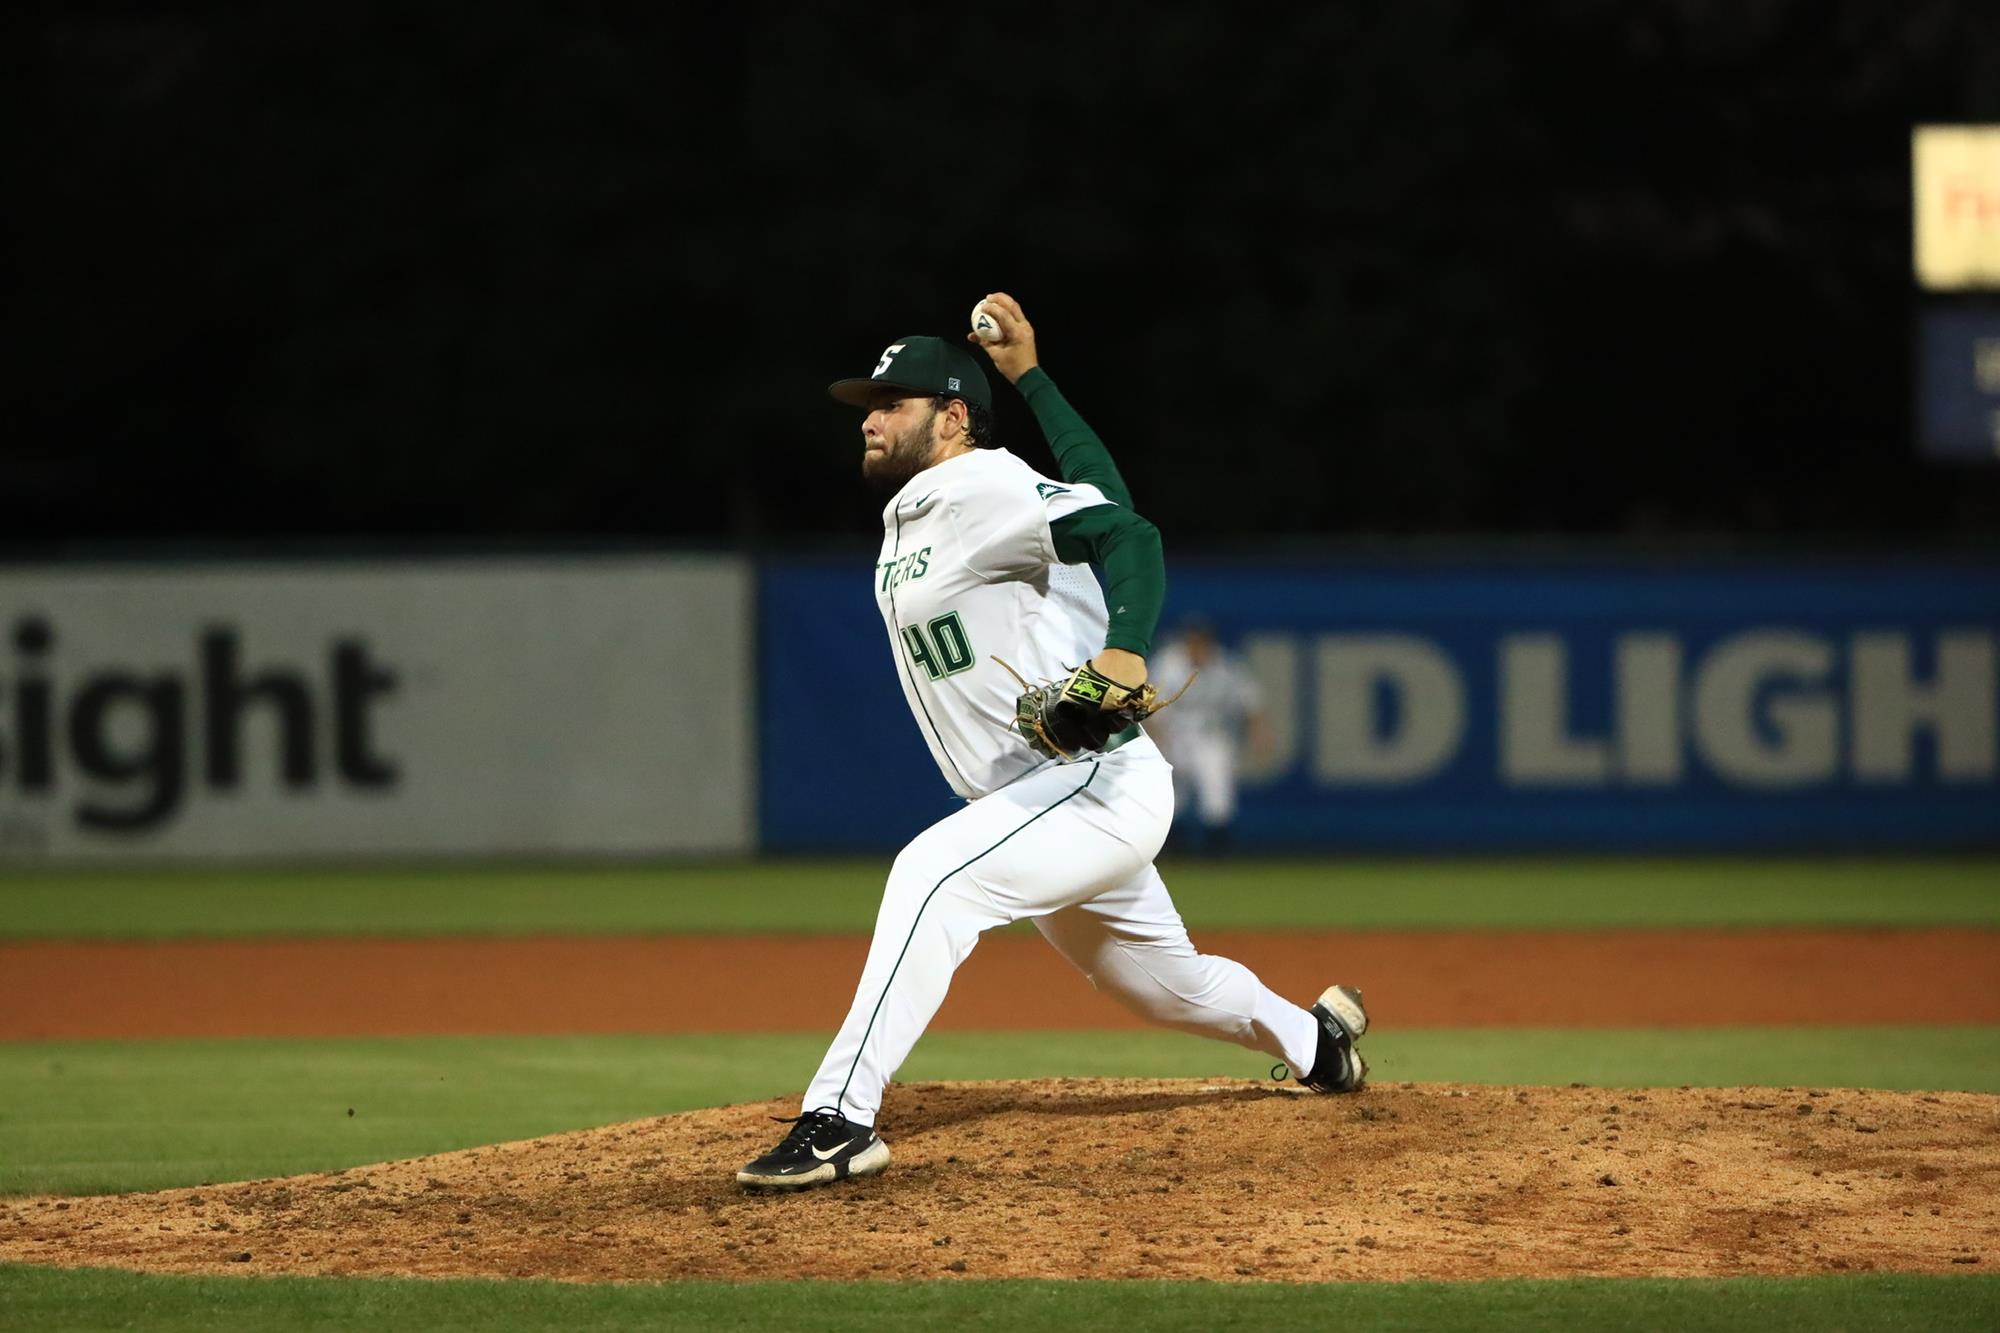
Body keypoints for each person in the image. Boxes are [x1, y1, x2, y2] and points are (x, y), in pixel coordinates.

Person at [735, 293, 1369, 1190]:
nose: (870, 418)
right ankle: (1319, 1043)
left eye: (892, 402)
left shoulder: (980, 486)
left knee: (931, 875)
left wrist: (1125, 649)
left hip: (1091, 781)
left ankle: (840, 1119)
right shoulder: (926, 510)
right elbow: (1107, 500)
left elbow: (1129, 534)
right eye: (867, 405)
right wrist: (1030, 374)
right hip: (1036, 802)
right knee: (1167, 987)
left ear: (953, 417)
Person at [1150, 618, 1270, 855]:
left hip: (1212, 737)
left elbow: (1250, 702)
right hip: (1175, 736)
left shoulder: (1225, 665)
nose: (1198, 646)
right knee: (1173, 795)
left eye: (1202, 642)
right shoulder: (1167, 664)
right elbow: (1150, 705)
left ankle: (1216, 850)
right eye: (1193, 641)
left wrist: (1260, 732)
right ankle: (1173, 847)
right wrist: (1156, 737)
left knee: (1217, 792)